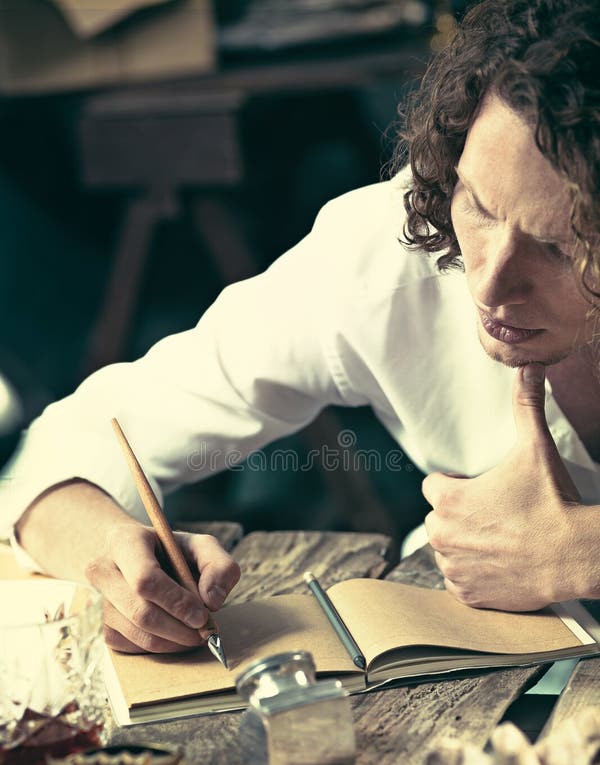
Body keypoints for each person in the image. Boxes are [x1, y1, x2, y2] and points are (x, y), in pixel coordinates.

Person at [1, 0, 599, 655]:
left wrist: (580, 553)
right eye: (479, 204)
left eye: (558, 248)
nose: (488, 284)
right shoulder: (384, 259)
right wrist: (103, 551)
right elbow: (69, 444)